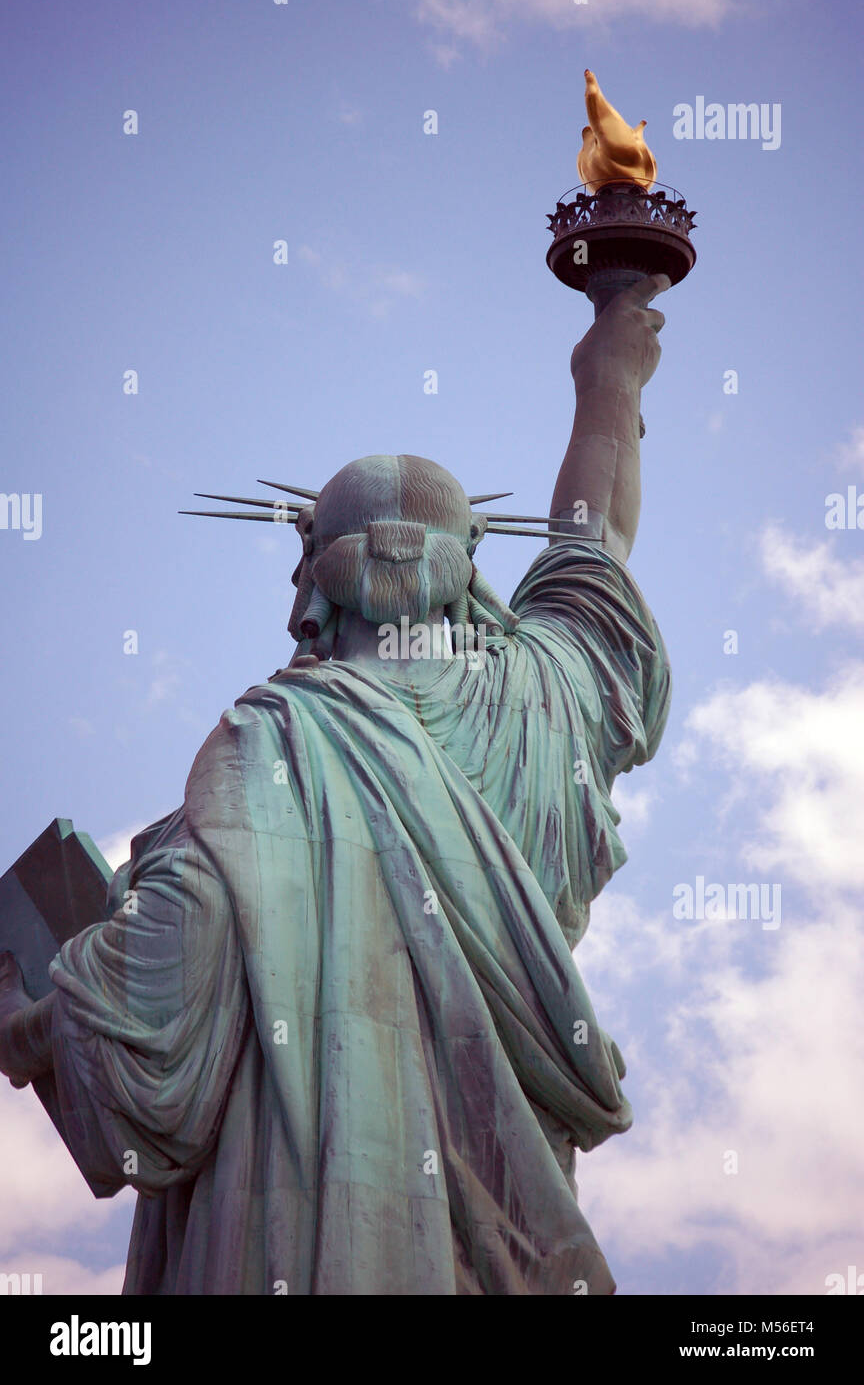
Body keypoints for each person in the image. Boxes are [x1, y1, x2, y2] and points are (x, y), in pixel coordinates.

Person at [0, 275, 672, 1295]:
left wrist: (36, 1010)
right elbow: (594, 546)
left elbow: (156, 1008)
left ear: (312, 587)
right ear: (467, 573)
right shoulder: (541, 715)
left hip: (276, 1238)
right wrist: (610, 373)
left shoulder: (269, 743)